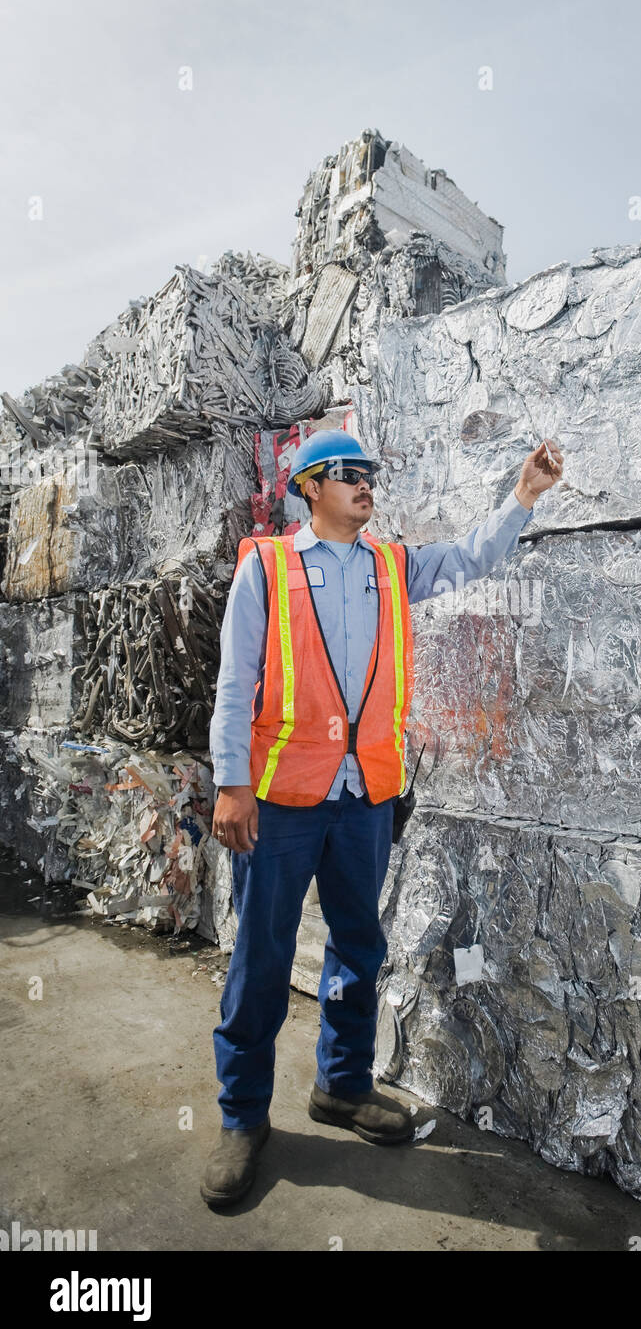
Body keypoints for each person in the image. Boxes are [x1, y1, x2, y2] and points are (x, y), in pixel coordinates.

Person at [201, 428, 564, 1206]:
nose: (366, 485)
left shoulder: (392, 567)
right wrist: (231, 784)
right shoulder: (267, 568)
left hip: (363, 796)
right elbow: (236, 681)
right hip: (280, 798)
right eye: (348, 474)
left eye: (370, 473)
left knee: (358, 944)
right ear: (308, 486)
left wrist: (523, 497)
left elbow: (470, 558)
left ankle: (341, 1085)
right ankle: (241, 1118)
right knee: (260, 960)